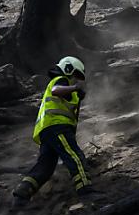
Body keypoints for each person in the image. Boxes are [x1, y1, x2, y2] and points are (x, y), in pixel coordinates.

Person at [12, 56, 96, 206]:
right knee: (75, 156)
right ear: (68, 69)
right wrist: (75, 88)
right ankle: (86, 191)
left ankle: (21, 196)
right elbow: (57, 91)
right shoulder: (61, 81)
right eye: (76, 75)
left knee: (45, 167)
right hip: (57, 127)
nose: (77, 80)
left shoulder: (66, 88)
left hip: (47, 131)